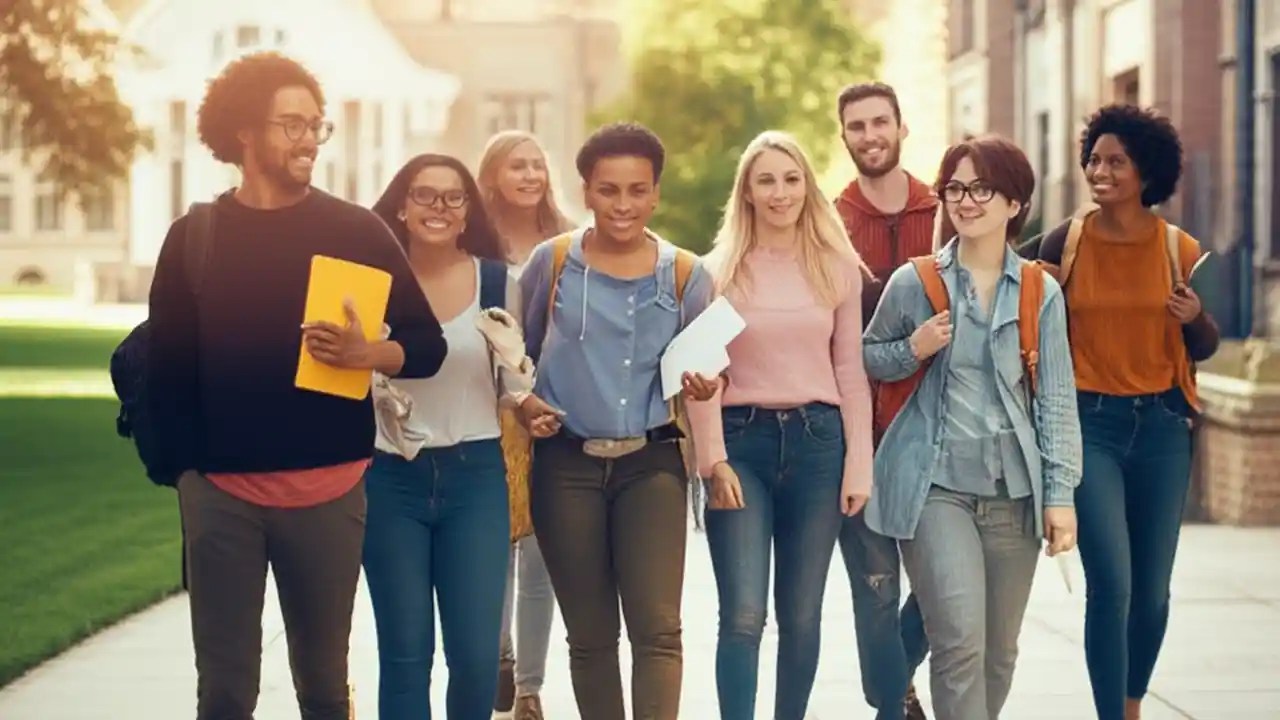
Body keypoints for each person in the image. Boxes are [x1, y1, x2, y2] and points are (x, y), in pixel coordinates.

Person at [146, 51, 447, 720]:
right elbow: (165, 370)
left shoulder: (355, 231)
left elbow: (426, 345)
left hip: (328, 490)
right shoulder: (194, 238)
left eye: (317, 124)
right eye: (292, 124)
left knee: (321, 685)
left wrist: (370, 351)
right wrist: (187, 474)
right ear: (244, 132)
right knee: (224, 690)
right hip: (220, 494)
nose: (309, 138)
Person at [864, 134, 1082, 720]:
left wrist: (1060, 496)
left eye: (981, 187)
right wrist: (912, 347)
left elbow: (1057, 399)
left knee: (998, 654)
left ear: (1014, 203)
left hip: (1014, 493)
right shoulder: (916, 283)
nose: (965, 200)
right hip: (935, 487)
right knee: (958, 641)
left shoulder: (1042, 291)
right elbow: (870, 357)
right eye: (954, 188)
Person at [1018, 105, 1220, 720]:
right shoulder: (1065, 242)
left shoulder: (1176, 249)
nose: (1099, 171)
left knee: (1152, 595)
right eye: (1094, 159)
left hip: (1162, 429)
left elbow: (1204, 345)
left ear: (1145, 171)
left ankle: (1131, 706)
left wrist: (1195, 320)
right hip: (1089, 427)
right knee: (1113, 586)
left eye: (1115, 162)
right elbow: (1008, 286)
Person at [517, 121, 718, 720]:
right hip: (566, 467)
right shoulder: (550, 263)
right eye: (609, 190)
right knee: (592, 637)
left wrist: (706, 384)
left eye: (637, 190)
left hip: (652, 464)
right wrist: (526, 403)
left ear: (655, 193)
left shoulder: (686, 274)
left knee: (659, 630)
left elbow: (704, 367)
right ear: (586, 192)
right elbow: (516, 359)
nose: (623, 205)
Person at [686, 130, 873, 720]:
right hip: (741, 445)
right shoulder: (715, 274)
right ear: (746, 191)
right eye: (765, 180)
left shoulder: (838, 268)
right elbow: (700, 372)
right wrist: (712, 460)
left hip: (820, 447)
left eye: (791, 179)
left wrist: (858, 466)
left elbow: (850, 370)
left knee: (801, 616)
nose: (779, 192)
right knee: (742, 614)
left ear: (807, 187)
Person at [363, 153, 540, 719]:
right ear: (401, 206)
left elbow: (515, 380)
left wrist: (529, 404)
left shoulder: (498, 282)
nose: (439, 207)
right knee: (406, 655)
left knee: (476, 657)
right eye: (424, 195)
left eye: (453, 197)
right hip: (391, 480)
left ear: (468, 212)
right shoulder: (371, 284)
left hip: (475, 476)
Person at [832, 80, 936, 720]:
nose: (869, 136)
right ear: (843, 137)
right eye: (856, 127)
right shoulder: (829, 221)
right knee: (874, 586)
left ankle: (889, 676)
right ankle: (895, 698)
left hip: (936, 425)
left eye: (879, 123)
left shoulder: (945, 211)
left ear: (901, 127)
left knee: (937, 581)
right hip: (857, 429)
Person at [476, 129, 575, 720]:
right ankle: (500, 658)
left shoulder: (569, 241)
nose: (531, 175)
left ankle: (530, 690)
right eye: (518, 165)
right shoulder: (472, 245)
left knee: (540, 550)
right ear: (492, 176)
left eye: (539, 164)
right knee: (493, 547)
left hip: (551, 409)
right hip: (489, 411)